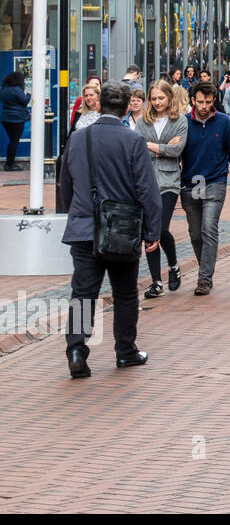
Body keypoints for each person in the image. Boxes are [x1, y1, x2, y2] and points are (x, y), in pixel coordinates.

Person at [60, 82, 161, 379]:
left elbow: (67, 185)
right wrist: (152, 231)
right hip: (122, 229)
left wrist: (76, 212)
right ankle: (125, 352)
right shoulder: (132, 141)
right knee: (126, 294)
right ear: (127, 106)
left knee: (82, 293)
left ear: (100, 105)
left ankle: (77, 350)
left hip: (83, 228)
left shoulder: (78, 139)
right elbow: (147, 190)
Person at [179, 82, 230, 295]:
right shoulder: (183, 122)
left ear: (214, 100)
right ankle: (204, 268)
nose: (204, 106)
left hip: (215, 181)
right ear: (192, 101)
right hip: (190, 183)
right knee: (195, 233)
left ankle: (204, 279)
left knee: (209, 229)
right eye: (200, 102)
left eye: (208, 102)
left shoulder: (224, 122)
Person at [135, 80, 187, 296]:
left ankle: (173, 266)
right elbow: (136, 149)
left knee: (160, 228)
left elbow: (177, 150)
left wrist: (152, 146)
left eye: (161, 98)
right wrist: (161, 148)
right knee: (150, 230)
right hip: (146, 182)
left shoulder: (180, 121)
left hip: (168, 182)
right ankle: (156, 281)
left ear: (169, 98)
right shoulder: (142, 122)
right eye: (153, 98)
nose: (157, 102)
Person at [2, 70, 30, 170]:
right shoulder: (17, 90)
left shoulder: (4, 89)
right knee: (14, 141)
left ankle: (9, 163)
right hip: (16, 119)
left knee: (12, 141)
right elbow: (25, 101)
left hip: (6, 118)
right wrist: (29, 94)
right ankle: (10, 165)